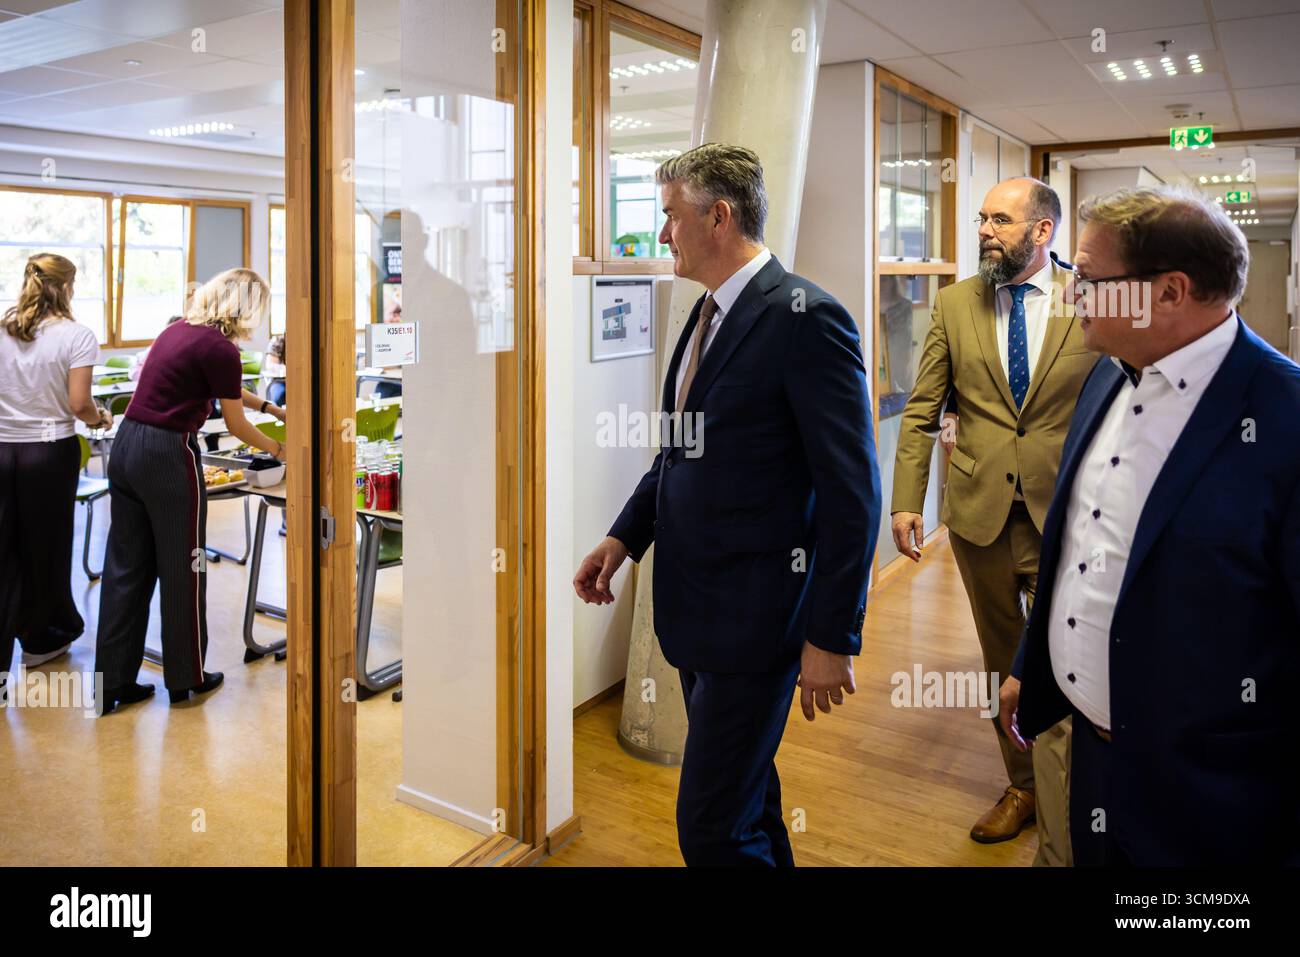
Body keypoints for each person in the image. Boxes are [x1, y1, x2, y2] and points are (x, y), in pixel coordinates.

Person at [573, 144, 881, 866]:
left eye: (671, 216)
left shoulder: (807, 318)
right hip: (700, 614)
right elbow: (676, 453)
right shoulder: (704, 314)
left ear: (718, 216)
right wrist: (622, 539)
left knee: (710, 826)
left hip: (761, 622)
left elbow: (852, 491)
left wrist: (833, 636)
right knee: (747, 802)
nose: (662, 234)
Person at [1001, 186, 1300, 866]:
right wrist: (1034, 662)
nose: (1071, 293)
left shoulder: (1285, 422)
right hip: (1096, 760)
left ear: (1169, 293)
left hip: (1218, 799)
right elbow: (1079, 541)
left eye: (1087, 278)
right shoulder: (1107, 375)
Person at [890, 178, 1095, 863]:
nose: (983, 229)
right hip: (978, 515)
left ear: (1043, 231)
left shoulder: (1090, 299)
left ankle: (1070, 803)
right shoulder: (955, 303)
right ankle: (1021, 787)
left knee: (1060, 658)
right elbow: (923, 409)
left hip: (1063, 515)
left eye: (1000, 220)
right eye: (981, 217)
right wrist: (906, 499)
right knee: (997, 660)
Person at [94, 268, 286, 715]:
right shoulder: (222, 348)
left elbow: (221, 388)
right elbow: (236, 425)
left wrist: (269, 405)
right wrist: (280, 448)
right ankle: (187, 678)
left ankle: (112, 682)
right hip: (167, 454)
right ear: (247, 308)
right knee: (185, 566)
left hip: (127, 447)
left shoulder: (177, 330)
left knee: (126, 568)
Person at [0, 253, 113, 678]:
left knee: (4, 549)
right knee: (45, 548)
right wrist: (100, 418)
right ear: (67, 286)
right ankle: (42, 641)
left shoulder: (3, 330)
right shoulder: (76, 335)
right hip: (47, 456)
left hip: (2, 449)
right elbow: (79, 403)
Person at [264, 334, 287, 407]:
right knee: (279, 396)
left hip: (301, 381)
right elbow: (270, 365)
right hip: (279, 381)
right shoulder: (278, 341)